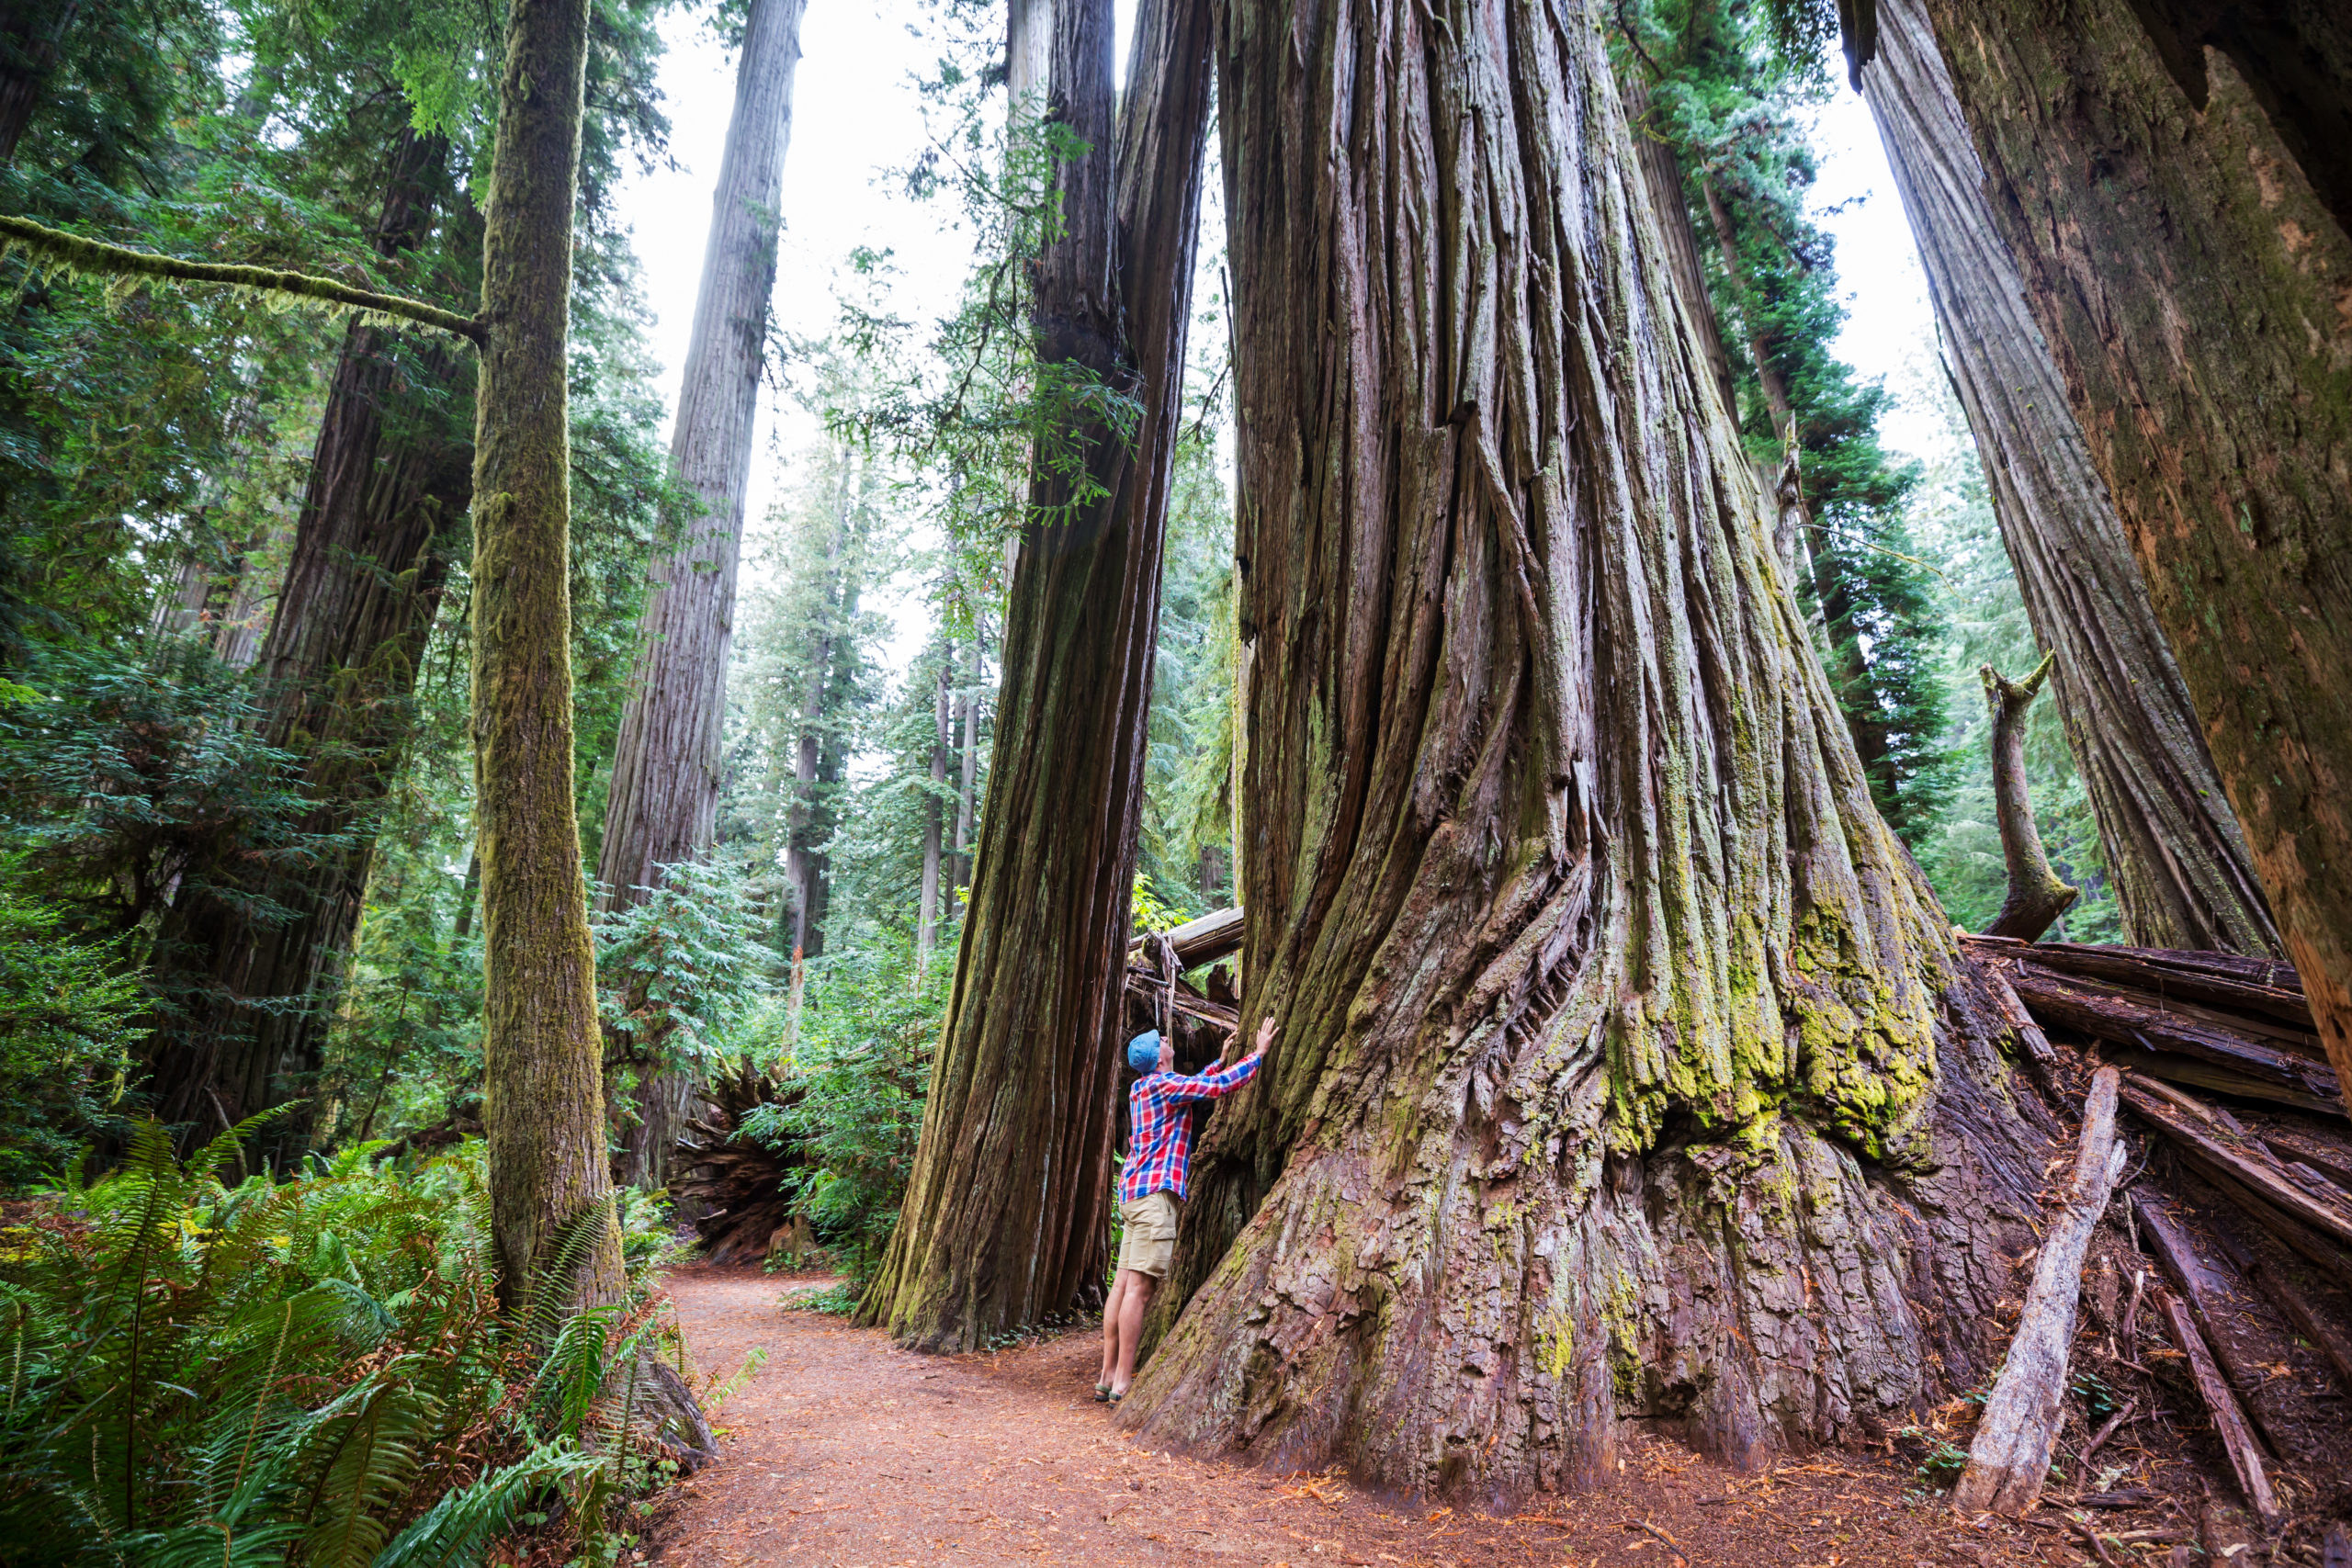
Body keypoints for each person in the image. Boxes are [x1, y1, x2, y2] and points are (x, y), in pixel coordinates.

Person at [1095, 1016, 1272, 1404]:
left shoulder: (1143, 1088)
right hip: (1156, 1197)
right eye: (1159, 1041)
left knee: (1123, 1285)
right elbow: (1216, 1088)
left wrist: (1219, 1059)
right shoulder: (1164, 1083)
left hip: (1133, 1196)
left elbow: (1194, 1089)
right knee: (1139, 1292)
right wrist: (1257, 1055)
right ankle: (1124, 1381)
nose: (1164, 1039)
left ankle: (1108, 1374)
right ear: (1160, 1059)